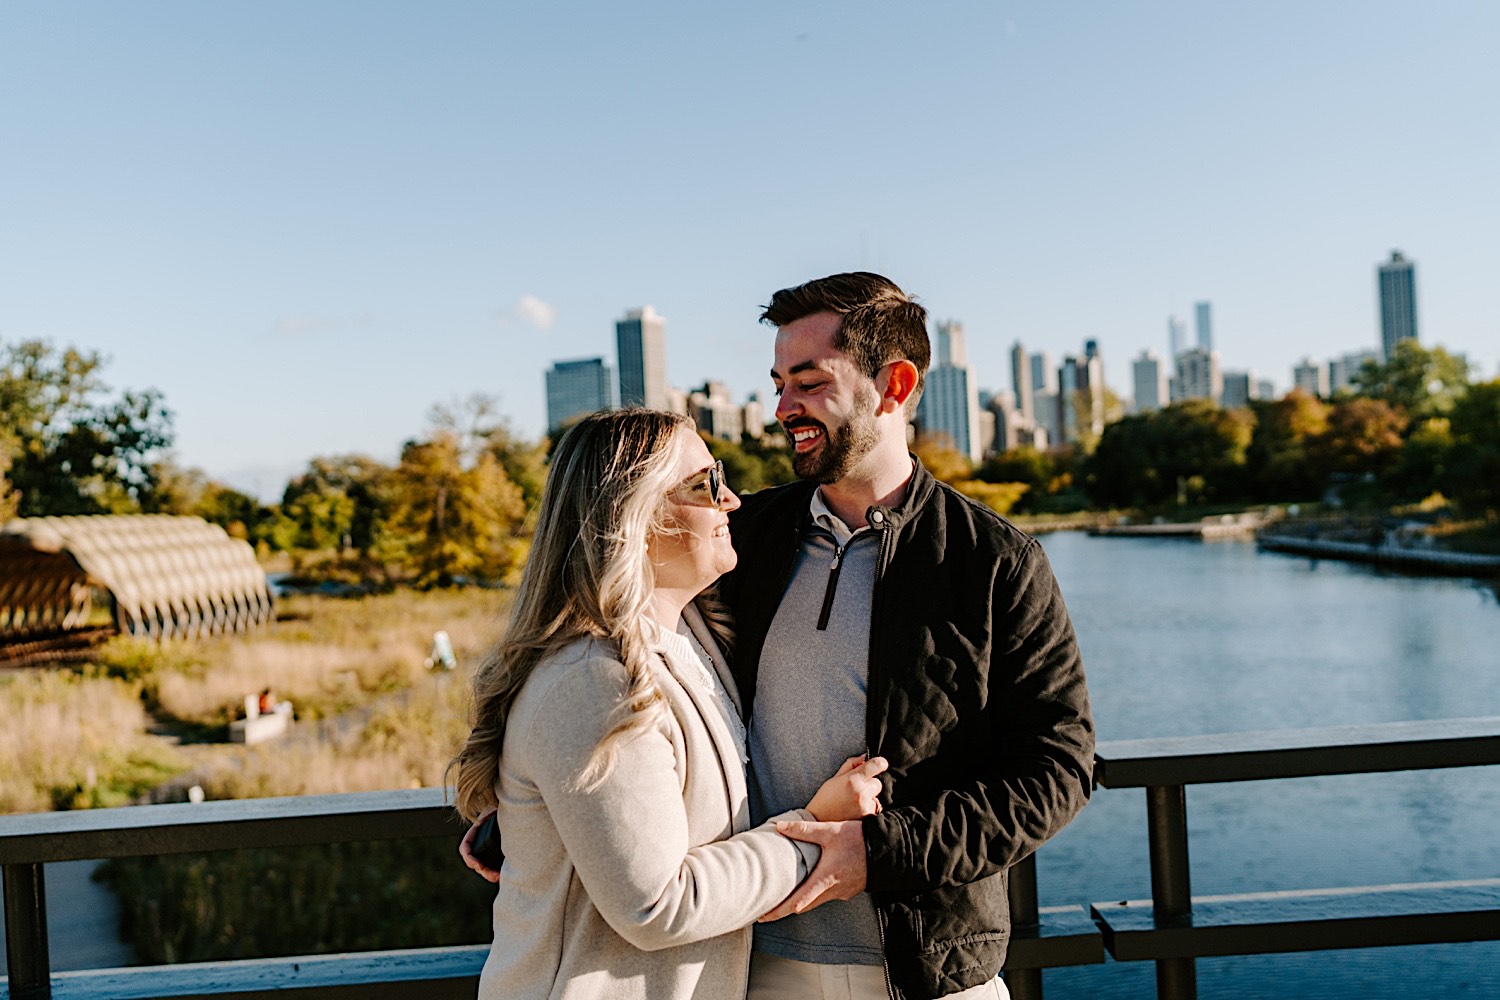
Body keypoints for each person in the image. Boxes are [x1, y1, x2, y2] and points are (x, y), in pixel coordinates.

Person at [717, 272, 1095, 999]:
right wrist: (532, 806)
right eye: (777, 383)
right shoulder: (738, 542)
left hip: (930, 973)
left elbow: (1060, 770)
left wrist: (880, 853)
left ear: (894, 384)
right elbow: (619, 659)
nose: (782, 407)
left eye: (808, 382)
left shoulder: (995, 562)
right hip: (750, 959)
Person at [448, 408, 888, 1000]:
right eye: (706, 484)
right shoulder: (594, 680)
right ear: (635, 515)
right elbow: (658, 905)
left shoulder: (690, 641)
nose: (731, 500)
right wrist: (815, 832)